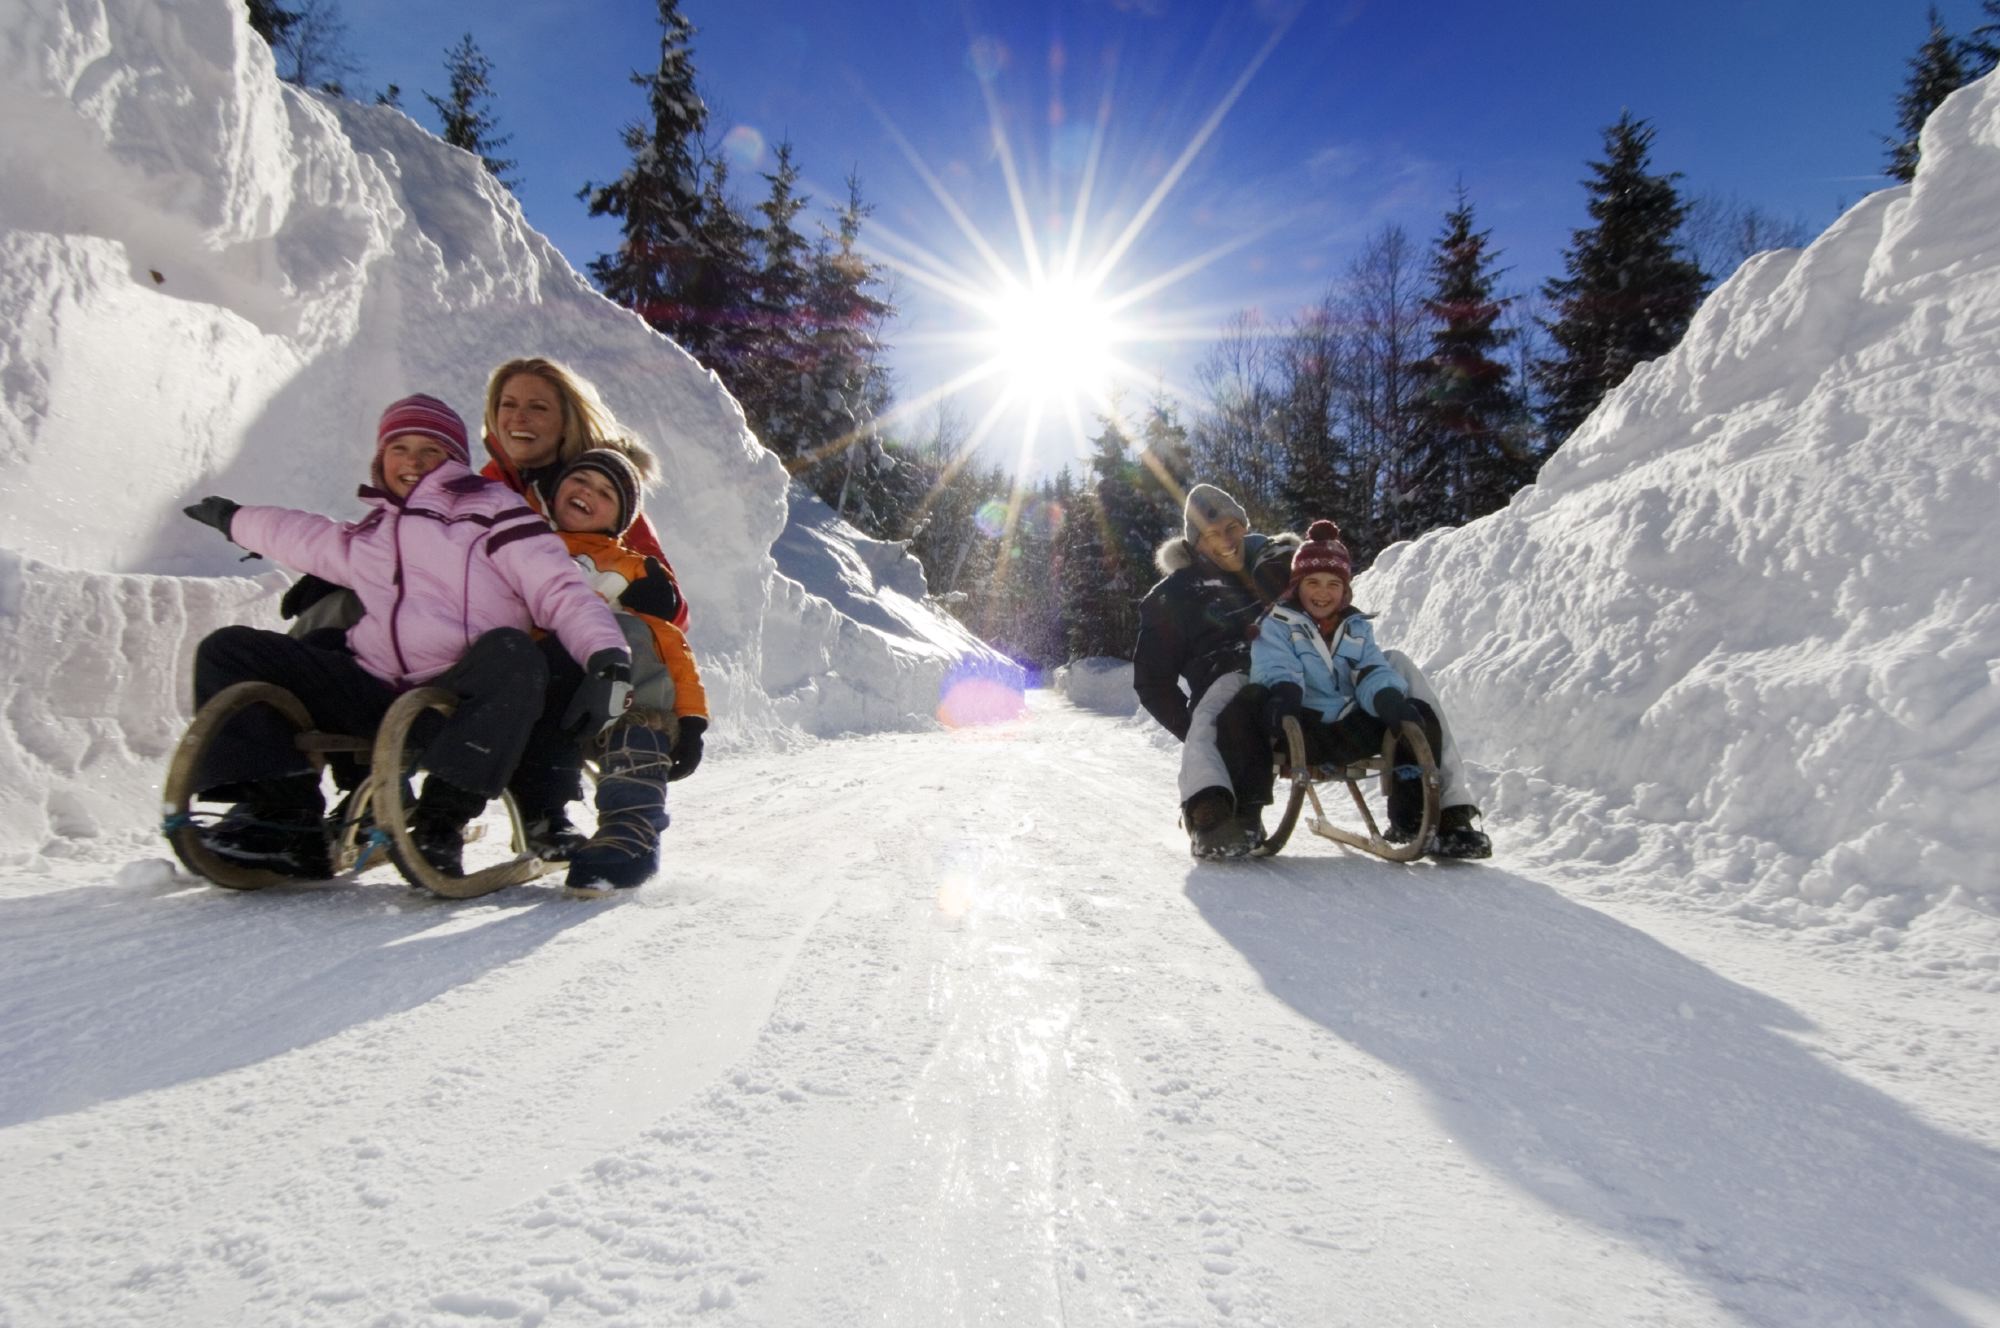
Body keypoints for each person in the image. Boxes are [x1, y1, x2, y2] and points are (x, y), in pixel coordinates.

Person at [180, 394, 635, 879]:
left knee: (514, 652)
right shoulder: (377, 528)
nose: (413, 461)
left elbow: (559, 588)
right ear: (382, 459)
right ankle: (284, 816)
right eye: (400, 448)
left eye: (429, 450)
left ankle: (441, 822)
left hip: (456, 699)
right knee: (229, 650)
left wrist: (606, 655)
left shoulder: (495, 511)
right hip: (373, 689)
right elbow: (306, 535)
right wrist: (235, 520)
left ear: (453, 461)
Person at [1247, 520, 1492, 859]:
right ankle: (1244, 815)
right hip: (1303, 729)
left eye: (1334, 584)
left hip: (1350, 729)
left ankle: (1412, 819)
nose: (1323, 593)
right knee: (1255, 705)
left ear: (1346, 590)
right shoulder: (1278, 624)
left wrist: (1387, 698)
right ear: (1296, 585)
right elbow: (1277, 666)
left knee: (1417, 714)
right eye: (1313, 582)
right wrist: (1285, 693)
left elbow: (1370, 669)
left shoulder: (1356, 627)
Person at [542, 448, 710, 892]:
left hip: (604, 696)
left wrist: (691, 720)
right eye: (580, 480)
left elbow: (667, 644)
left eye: (606, 493)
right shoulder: (520, 543)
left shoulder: (633, 570)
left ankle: (632, 823)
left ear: (621, 519)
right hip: (529, 683)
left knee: (633, 633)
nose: (588, 493)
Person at [1132, 483, 1299, 858]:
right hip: (1225, 690)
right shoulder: (1173, 596)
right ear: (1195, 544)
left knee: (1391, 672)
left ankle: (1428, 804)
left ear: (1244, 526)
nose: (1225, 540)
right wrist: (1195, 731)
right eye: (1211, 534)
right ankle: (1214, 811)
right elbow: (1153, 681)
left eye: (1231, 528)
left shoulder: (1275, 568)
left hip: (1297, 679)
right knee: (1229, 702)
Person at [480, 356, 687, 629]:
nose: (519, 417)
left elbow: (673, 613)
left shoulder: (604, 496)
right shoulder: (481, 493)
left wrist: (650, 599)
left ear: (567, 422)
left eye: (538, 407)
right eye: (508, 404)